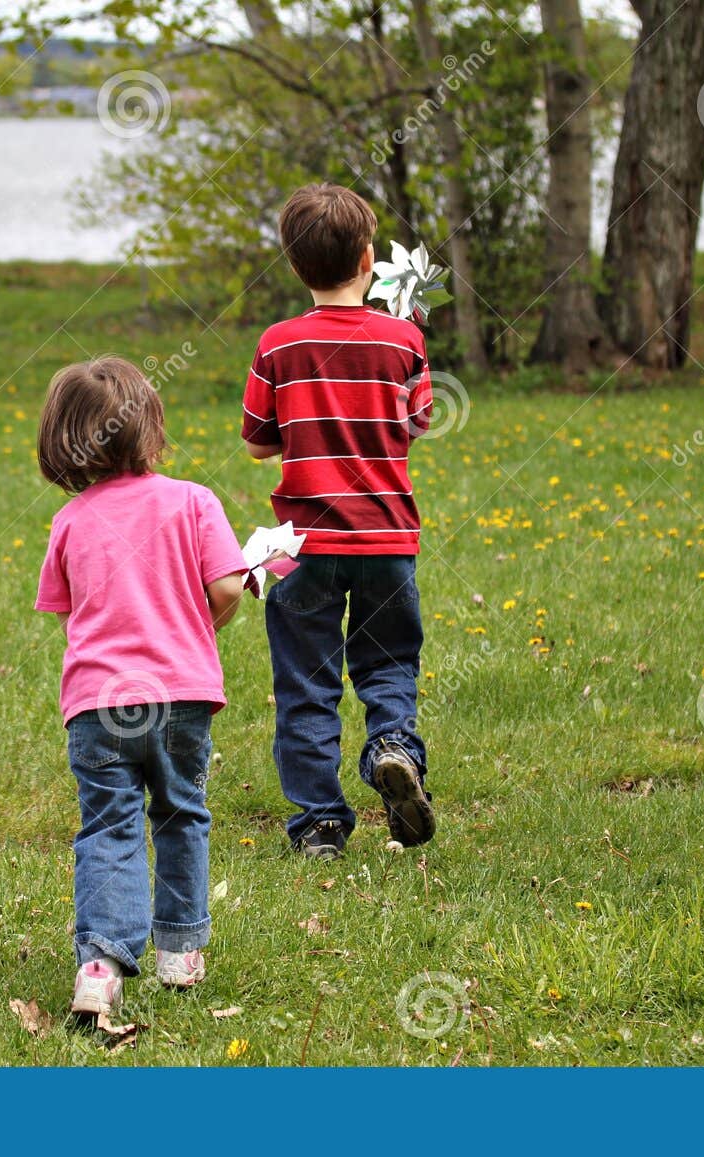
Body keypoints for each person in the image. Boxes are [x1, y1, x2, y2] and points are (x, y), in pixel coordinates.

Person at [35, 356, 248, 1016]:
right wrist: (200, 624)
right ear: (151, 424)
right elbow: (227, 587)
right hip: (182, 698)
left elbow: (70, 612)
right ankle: (180, 952)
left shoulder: (70, 520)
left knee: (108, 827)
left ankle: (99, 964)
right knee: (181, 812)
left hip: (99, 705)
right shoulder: (194, 501)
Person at [240, 183, 436, 860]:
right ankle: (392, 745)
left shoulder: (277, 345)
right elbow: (416, 423)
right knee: (387, 660)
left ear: (295, 266)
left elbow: (259, 440)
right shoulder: (404, 340)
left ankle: (320, 823)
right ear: (368, 257)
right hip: (385, 536)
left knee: (305, 682)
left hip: (301, 544)